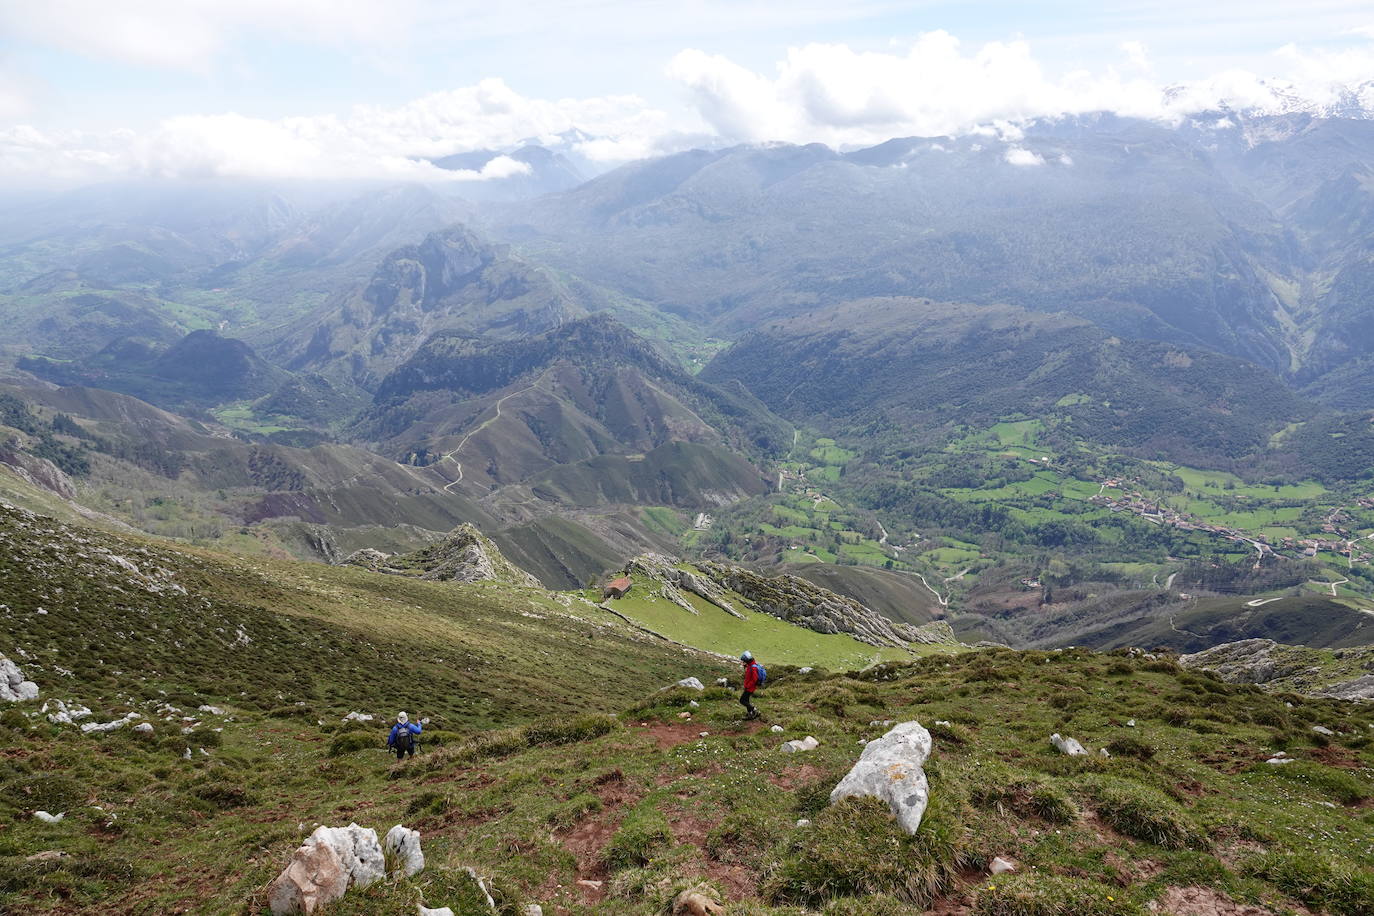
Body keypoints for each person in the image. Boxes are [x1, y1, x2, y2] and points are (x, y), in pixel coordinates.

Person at [740, 650, 761, 720]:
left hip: (750, 688)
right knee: (746, 700)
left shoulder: (753, 667)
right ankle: (750, 714)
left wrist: (748, 685)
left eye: (743, 661)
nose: (742, 663)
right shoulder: (750, 665)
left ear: (747, 660)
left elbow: (755, 679)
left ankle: (754, 710)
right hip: (748, 687)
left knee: (742, 700)